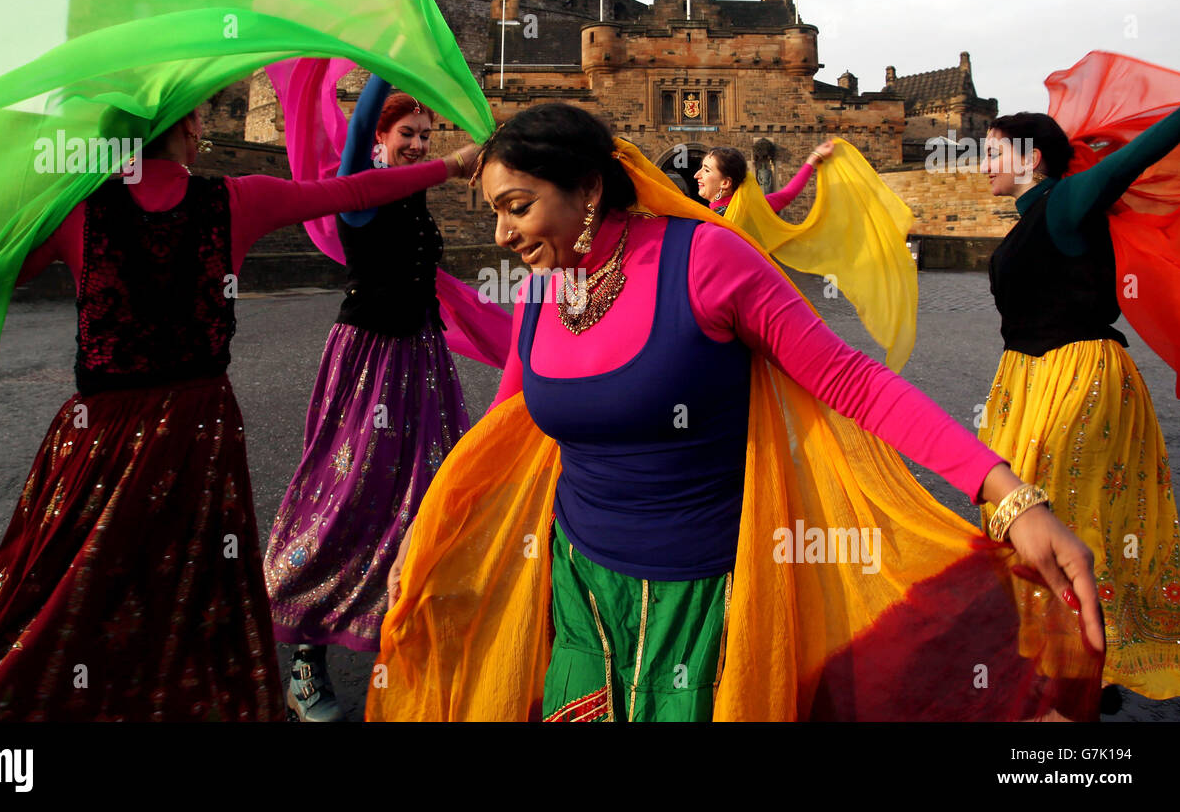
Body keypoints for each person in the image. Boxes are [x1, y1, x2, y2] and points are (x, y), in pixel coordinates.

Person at [372, 103, 1104, 722]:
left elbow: (853, 380)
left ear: (588, 189)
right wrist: (432, 526)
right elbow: (504, 427)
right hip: (577, 587)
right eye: (495, 212)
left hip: (704, 601)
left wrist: (1011, 496)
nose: (501, 235)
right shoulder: (542, 286)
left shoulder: (707, 261)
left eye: (517, 206)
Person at [0, 106, 478, 721]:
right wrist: (451, 165)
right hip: (197, 427)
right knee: (193, 591)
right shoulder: (236, 200)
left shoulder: (77, 209)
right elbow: (353, 187)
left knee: (71, 585)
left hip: (101, 434)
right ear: (191, 127)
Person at [263, 79, 472, 721]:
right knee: (348, 496)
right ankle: (305, 647)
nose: (417, 144)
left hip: (422, 363)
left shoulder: (414, 204)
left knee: (432, 497)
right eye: (405, 134)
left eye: (426, 136)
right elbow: (352, 133)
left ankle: (408, 639)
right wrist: (386, 51)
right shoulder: (358, 194)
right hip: (370, 362)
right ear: (379, 140)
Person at [979, 105, 1180, 706]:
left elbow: (1135, 157)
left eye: (994, 151)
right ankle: (1053, 653)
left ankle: (1081, 665)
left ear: (1031, 158)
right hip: (1026, 377)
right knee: (1017, 514)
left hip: (1077, 376)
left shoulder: (1066, 201)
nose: (983, 164)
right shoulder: (1027, 220)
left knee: (1062, 508)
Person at [695, 142, 832, 216]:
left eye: (706, 170)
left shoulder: (713, 222)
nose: (696, 175)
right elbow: (787, 195)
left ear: (725, 183)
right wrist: (813, 158)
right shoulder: (755, 207)